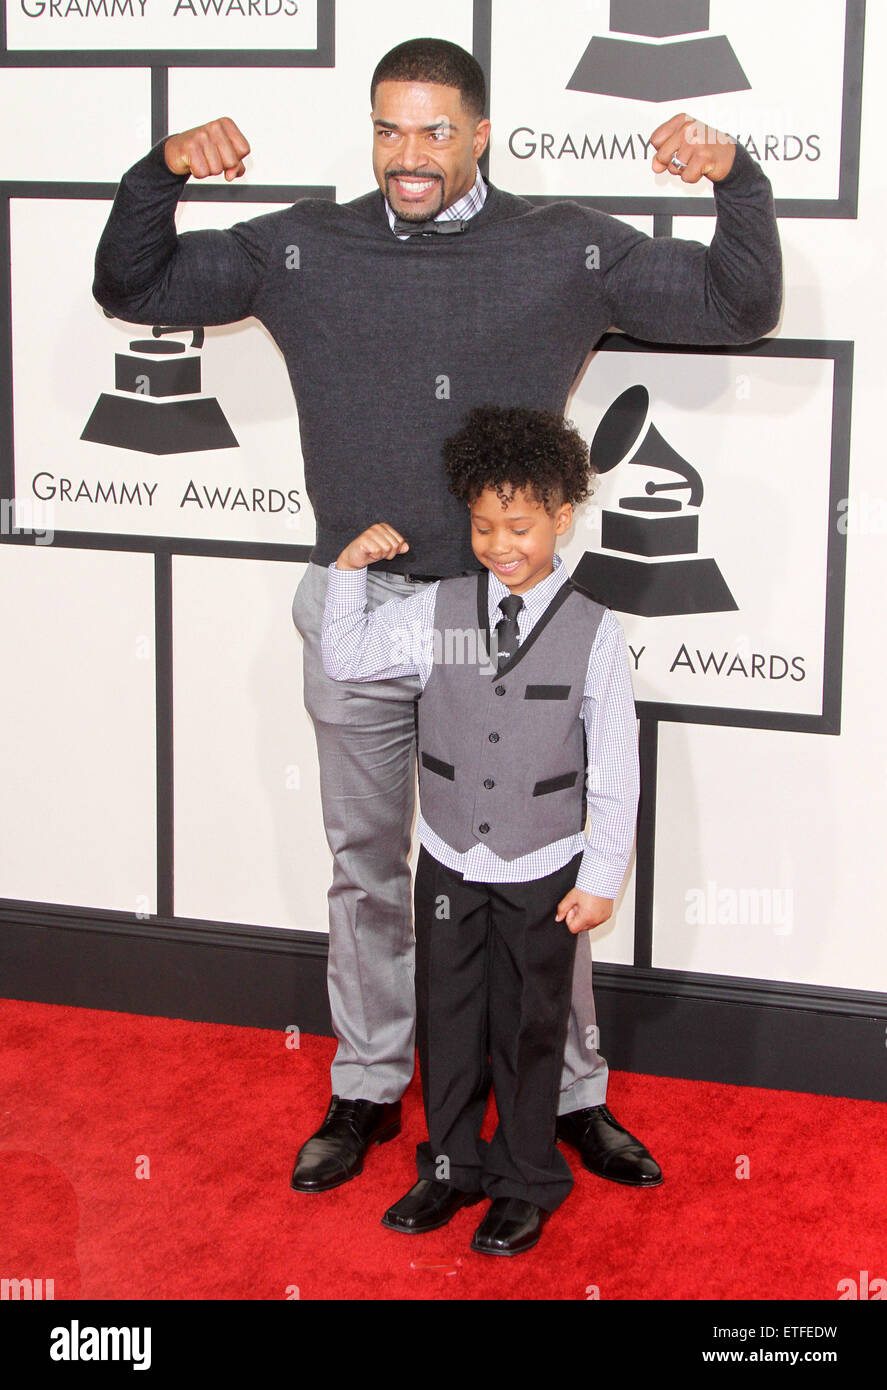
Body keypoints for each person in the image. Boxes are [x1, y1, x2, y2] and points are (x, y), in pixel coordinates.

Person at [91, 36, 782, 1197]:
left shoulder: (563, 245)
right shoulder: (303, 247)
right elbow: (135, 286)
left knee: (532, 864)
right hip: (359, 610)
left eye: (431, 131)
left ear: (480, 134)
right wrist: (159, 171)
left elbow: (737, 304)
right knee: (366, 864)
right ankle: (367, 1082)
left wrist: (736, 179)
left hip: (493, 622)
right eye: (386, 129)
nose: (406, 156)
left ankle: (566, 1094)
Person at [321, 405, 639, 1255]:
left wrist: (601, 876)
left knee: (533, 1026)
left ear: (563, 517)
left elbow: (613, 770)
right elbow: (346, 657)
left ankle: (526, 1177)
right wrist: (349, 568)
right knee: (450, 1016)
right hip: (451, 859)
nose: (500, 543)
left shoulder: (596, 634)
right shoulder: (439, 610)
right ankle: (448, 1167)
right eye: (482, 525)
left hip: (544, 865)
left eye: (520, 526)